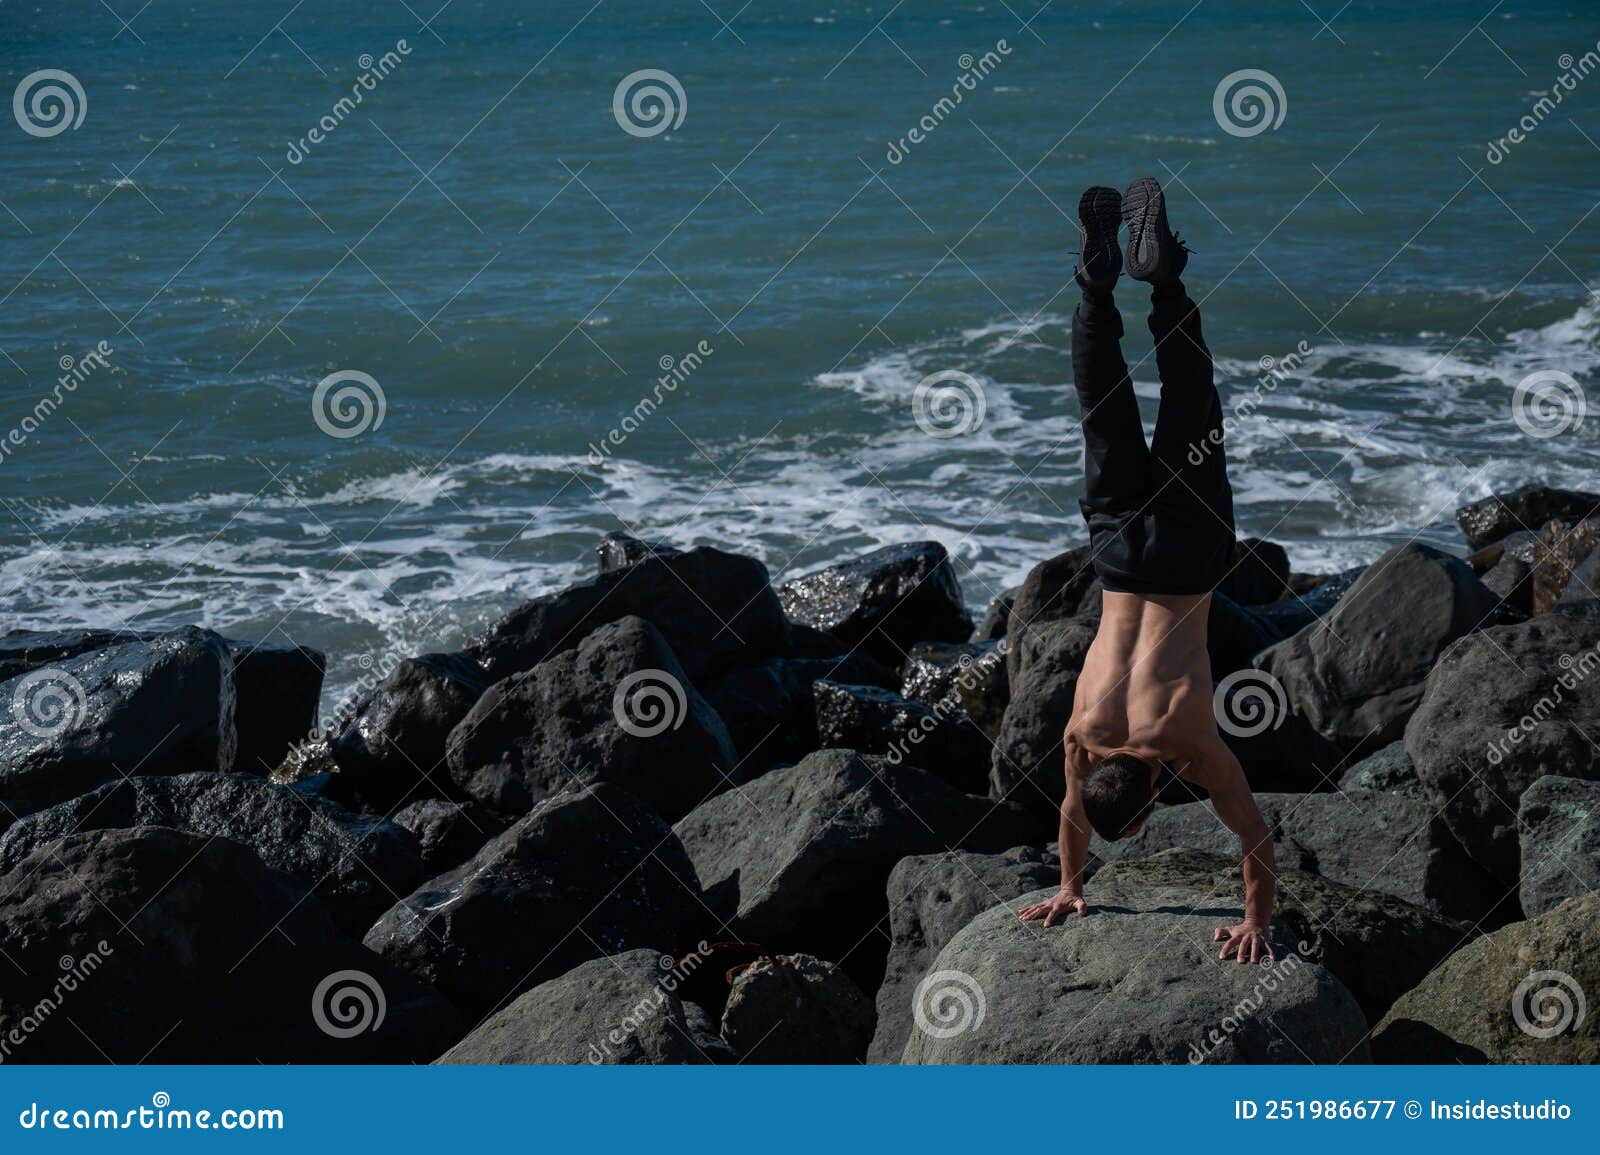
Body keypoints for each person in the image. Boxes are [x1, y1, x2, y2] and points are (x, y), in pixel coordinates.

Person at [1018, 177, 1277, 964]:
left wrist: (1257, 921)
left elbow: (1256, 838)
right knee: (1103, 409)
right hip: (1119, 555)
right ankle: (1097, 290)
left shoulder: (1188, 743)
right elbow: (1070, 809)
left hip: (1191, 553)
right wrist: (1068, 878)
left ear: (1159, 789)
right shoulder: (1083, 735)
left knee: (1190, 402)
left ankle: (1164, 281)